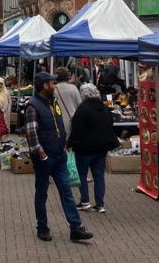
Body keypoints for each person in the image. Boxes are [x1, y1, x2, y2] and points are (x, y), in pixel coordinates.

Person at [26, 73, 93, 243]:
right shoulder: (32, 106)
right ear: (44, 85)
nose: (55, 85)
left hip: (59, 155)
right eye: (52, 83)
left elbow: (59, 124)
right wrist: (42, 155)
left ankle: (76, 227)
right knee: (42, 194)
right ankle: (42, 227)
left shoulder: (53, 101)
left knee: (66, 192)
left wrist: (64, 143)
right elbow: (31, 135)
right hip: (45, 158)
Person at [68, 83, 119, 213]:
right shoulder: (104, 108)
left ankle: (85, 201)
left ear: (83, 95)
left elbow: (77, 129)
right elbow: (110, 126)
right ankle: (100, 204)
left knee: (82, 175)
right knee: (99, 176)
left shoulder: (82, 109)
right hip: (101, 149)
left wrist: (70, 143)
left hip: (84, 149)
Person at [53, 67, 82, 141]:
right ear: (67, 76)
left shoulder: (53, 89)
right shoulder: (73, 88)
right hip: (73, 121)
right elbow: (80, 105)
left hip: (58, 122)